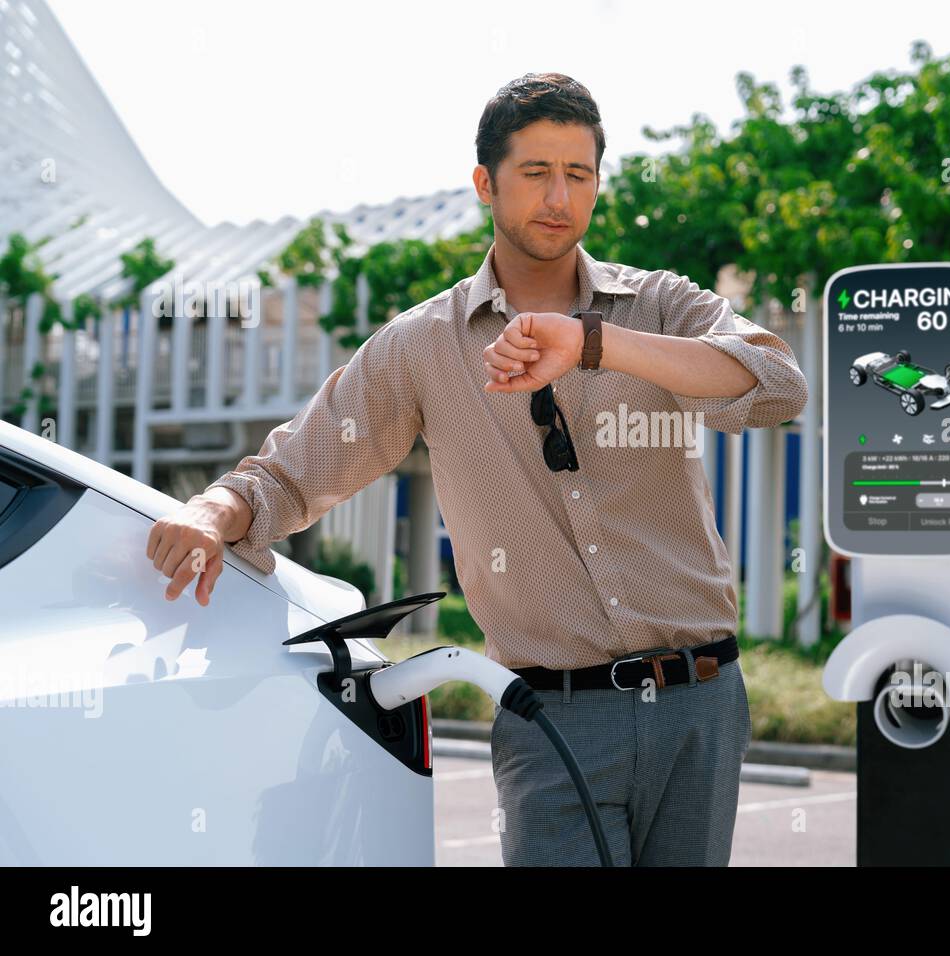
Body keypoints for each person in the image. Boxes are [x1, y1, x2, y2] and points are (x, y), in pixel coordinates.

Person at [145, 72, 809, 866]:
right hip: (553, 716)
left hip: (701, 704)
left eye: (579, 174)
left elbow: (778, 385)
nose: (559, 197)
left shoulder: (660, 305)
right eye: (536, 173)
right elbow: (291, 474)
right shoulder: (421, 346)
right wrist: (210, 513)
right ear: (484, 184)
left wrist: (592, 343)